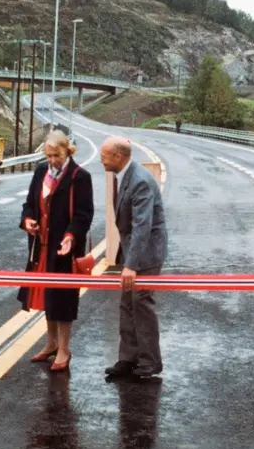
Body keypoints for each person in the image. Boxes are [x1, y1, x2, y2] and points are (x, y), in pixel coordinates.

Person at [19, 130, 95, 373]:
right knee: (46, 296)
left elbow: (84, 215)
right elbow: (29, 204)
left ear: (68, 151)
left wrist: (71, 236)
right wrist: (28, 220)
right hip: (41, 247)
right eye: (49, 155)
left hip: (65, 249)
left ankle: (64, 348)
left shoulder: (79, 177)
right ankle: (51, 343)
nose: (53, 160)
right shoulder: (41, 171)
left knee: (63, 298)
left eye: (57, 155)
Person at [101, 137, 167, 380]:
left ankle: (149, 362)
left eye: (105, 156)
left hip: (146, 254)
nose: (101, 160)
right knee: (127, 303)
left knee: (142, 304)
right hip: (133, 251)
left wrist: (130, 265)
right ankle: (128, 358)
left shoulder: (140, 181)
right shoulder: (124, 176)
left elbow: (142, 226)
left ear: (119, 157)